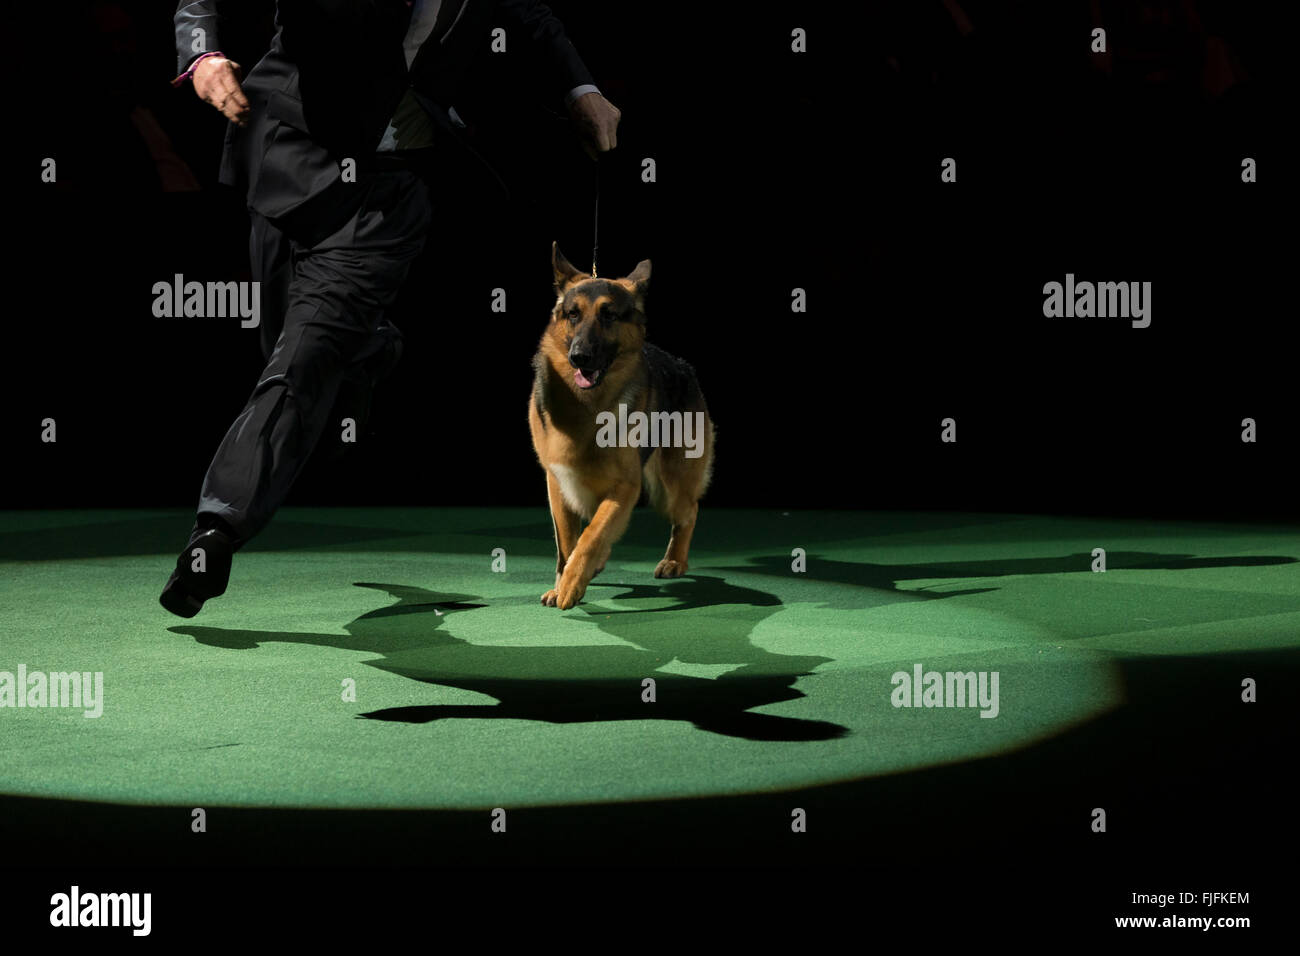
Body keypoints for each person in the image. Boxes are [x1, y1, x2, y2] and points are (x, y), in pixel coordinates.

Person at [160, 0, 620, 617]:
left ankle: (216, 531)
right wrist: (203, 54)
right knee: (284, 350)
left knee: (304, 359)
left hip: (390, 192)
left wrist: (580, 89)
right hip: (290, 155)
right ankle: (372, 344)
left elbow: (534, 19)